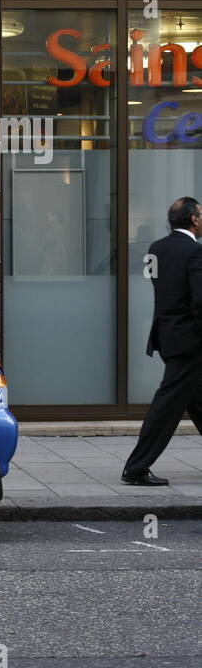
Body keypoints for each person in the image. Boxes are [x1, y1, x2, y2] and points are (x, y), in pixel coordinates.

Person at [122, 196, 202, 486]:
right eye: (201, 214)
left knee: (197, 399)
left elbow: (164, 291)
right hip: (190, 342)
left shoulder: (156, 250)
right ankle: (136, 468)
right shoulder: (195, 252)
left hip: (167, 336)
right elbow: (199, 301)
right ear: (193, 218)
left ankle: (137, 466)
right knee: (167, 404)